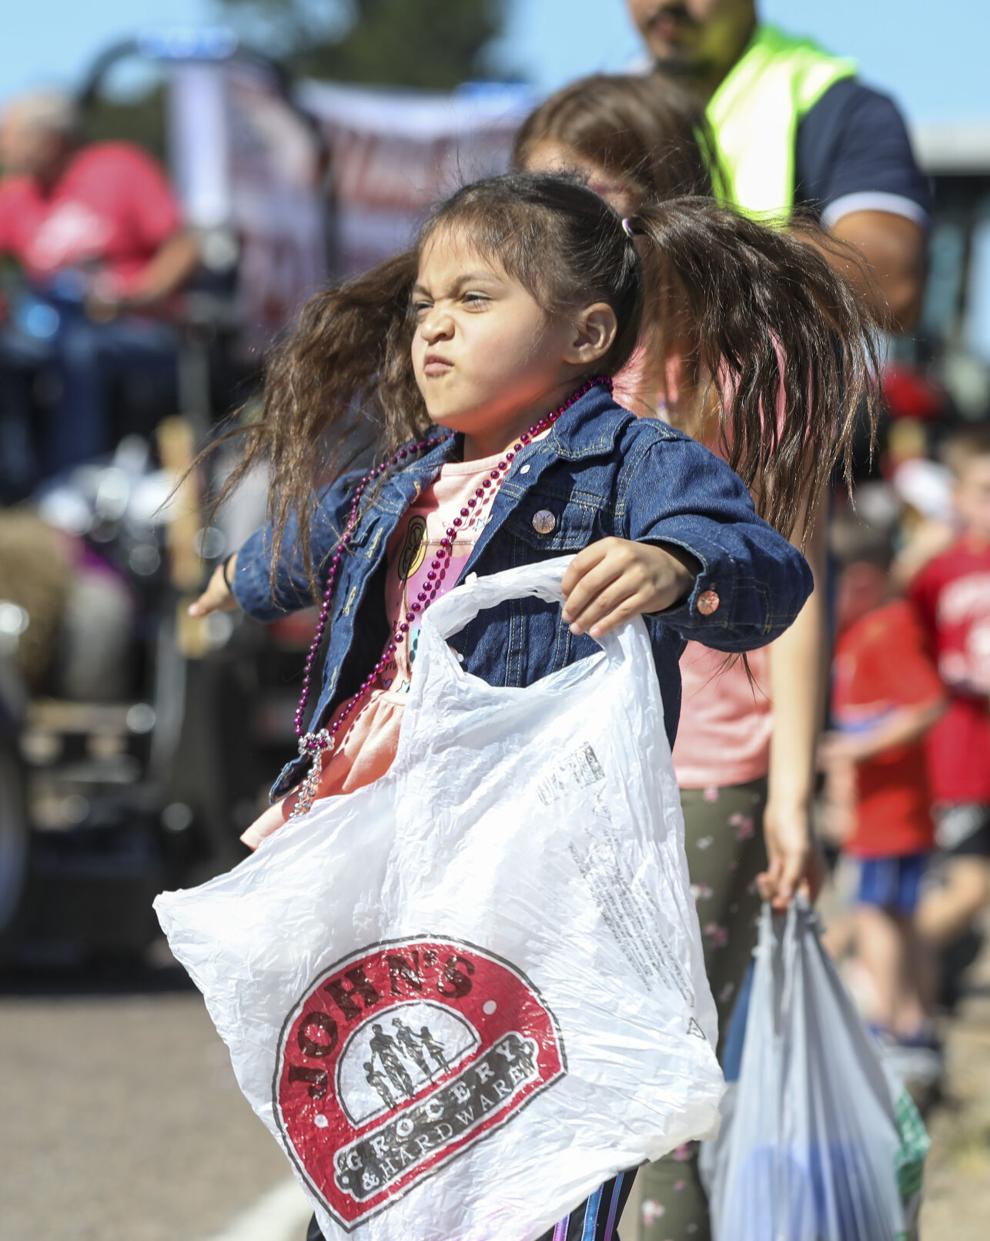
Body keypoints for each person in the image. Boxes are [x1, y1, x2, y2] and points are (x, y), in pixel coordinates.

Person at [190, 170, 877, 1240]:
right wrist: (240, 573)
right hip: (389, 864)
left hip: (537, 881)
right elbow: (310, 544)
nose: (433, 330)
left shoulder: (632, 462)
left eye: (474, 300)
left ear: (585, 332)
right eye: (424, 304)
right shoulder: (394, 481)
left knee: (532, 1159)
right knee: (376, 1144)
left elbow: (766, 568)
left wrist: (669, 556)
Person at [515, 75, 853, 1239]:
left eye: (589, 190)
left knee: (654, 1098)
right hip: (555, 767)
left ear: (659, 201)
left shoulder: (730, 364)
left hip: (707, 767)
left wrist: (794, 794)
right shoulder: (538, 358)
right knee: (549, 1088)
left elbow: (795, 582)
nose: (559, 213)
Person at [625, 0, 930, 331]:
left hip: (779, 380)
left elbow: (891, 283)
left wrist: (686, 251)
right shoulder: (596, 117)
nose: (664, 3)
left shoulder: (836, 104)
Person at [0, 91, 200, 484]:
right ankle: (16, 485)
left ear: (51, 138)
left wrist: (133, 297)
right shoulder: (17, 196)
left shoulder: (118, 168)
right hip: (54, 330)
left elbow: (185, 247)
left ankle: (74, 482)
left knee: (80, 350)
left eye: (13, 136)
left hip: (141, 329)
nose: (6, 147)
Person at [820, 514, 944, 1077]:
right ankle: (915, 1024)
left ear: (863, 580)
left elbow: (927, 704)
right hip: (883, 811)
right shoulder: (859, 632)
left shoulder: (886, 628)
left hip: (889, 813)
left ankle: (891, 1027)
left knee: (875, 915)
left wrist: (854, 753)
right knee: (897, 913)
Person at [911, 425, 990, 965]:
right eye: (986, 492)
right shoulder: (938, 569)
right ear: (958, 498)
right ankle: (875, 967)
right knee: (967, 888)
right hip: (960, 758)